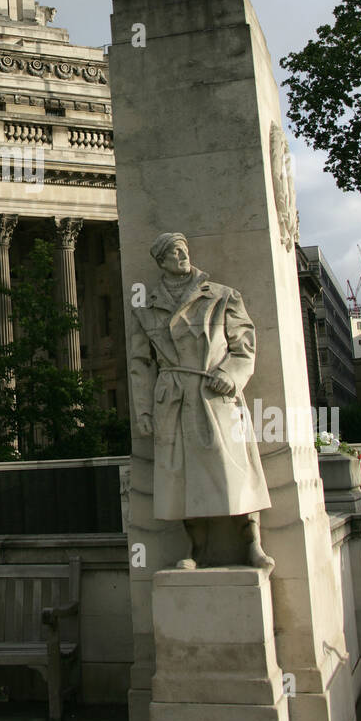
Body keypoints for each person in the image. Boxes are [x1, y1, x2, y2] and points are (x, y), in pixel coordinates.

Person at [129, 232, 273, 570]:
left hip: (214, 392)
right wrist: (144, 410)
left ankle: (253, 544)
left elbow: (244, 345)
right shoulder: (146, 306)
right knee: (181, 481)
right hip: (174, 398)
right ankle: (196, 550)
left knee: (236, 472)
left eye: (184, 250)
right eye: (174, 252)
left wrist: (232, 374)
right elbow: (140, 363)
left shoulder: (222, 295)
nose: (182, 256)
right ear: (160, 260)